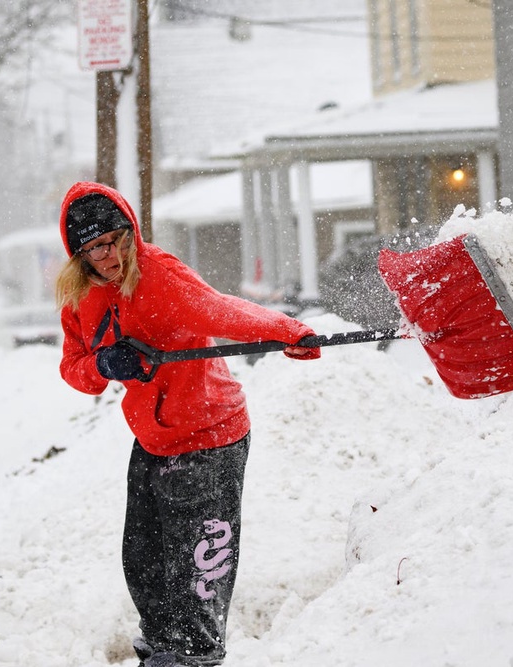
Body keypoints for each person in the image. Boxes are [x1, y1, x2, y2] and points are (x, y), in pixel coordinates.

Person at [55, 181, 321, 667]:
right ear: (79, 255)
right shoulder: (79, 298)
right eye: (94, 248)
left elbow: (223, 311)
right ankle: (161, 646)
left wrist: (289, 332)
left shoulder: (158, 276)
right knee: (144, 560)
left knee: (198, 562)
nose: (108, 254)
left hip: (209, 435)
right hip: (153, 438)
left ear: (128, 233)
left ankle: (194, 655)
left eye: (114, 239)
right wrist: (104, 366)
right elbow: (75, 369)